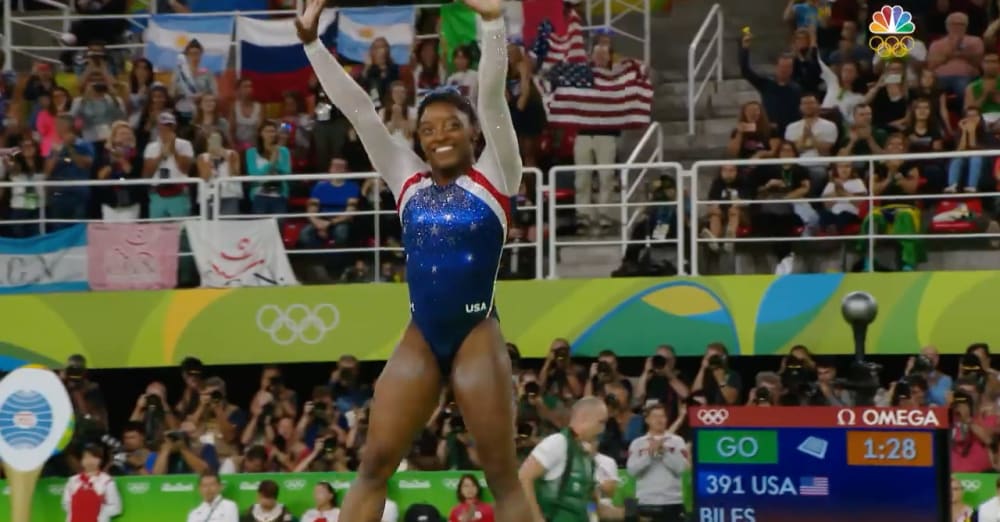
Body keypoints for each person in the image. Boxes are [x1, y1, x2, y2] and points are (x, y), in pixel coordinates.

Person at [296, 0, 534, 521]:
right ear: (419, 142)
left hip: (476, 332)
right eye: (428, 129)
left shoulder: (496, 174)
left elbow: (493, 100)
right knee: (375, 462)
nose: (440, 135)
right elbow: (360, 112)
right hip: (421, 334)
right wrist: (312, 43)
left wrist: (493, 23)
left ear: (472, 133)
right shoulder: (407, 180)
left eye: (451, 125)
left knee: (500, 474)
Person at [518, 397, 625, 522]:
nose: (603, 429)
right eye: (601, 422)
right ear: (584, 418)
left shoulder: (587, 457)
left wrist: (627, 513)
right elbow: (523, 477)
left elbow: (592, 506)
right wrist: (537, 519)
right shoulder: (558, 443)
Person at [626, 404, 688, 522]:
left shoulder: (677, 441)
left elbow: (680, 469)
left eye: (662, 416)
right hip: (646, 502)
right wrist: (649, 455)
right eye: (655, 416)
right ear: (647, 420)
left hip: (673, 502)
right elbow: (632, 471)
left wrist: (664, 452)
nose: (659, 420)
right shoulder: (637, 443)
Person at [61, 444, 122, 522]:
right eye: (86, 457)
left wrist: (100, 513)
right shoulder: (72, 481)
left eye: (94, 457)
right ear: (81, 460)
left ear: (100, 460)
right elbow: (65, 503)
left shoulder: (106, 481)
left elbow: (116, 507)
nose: (90, 461)